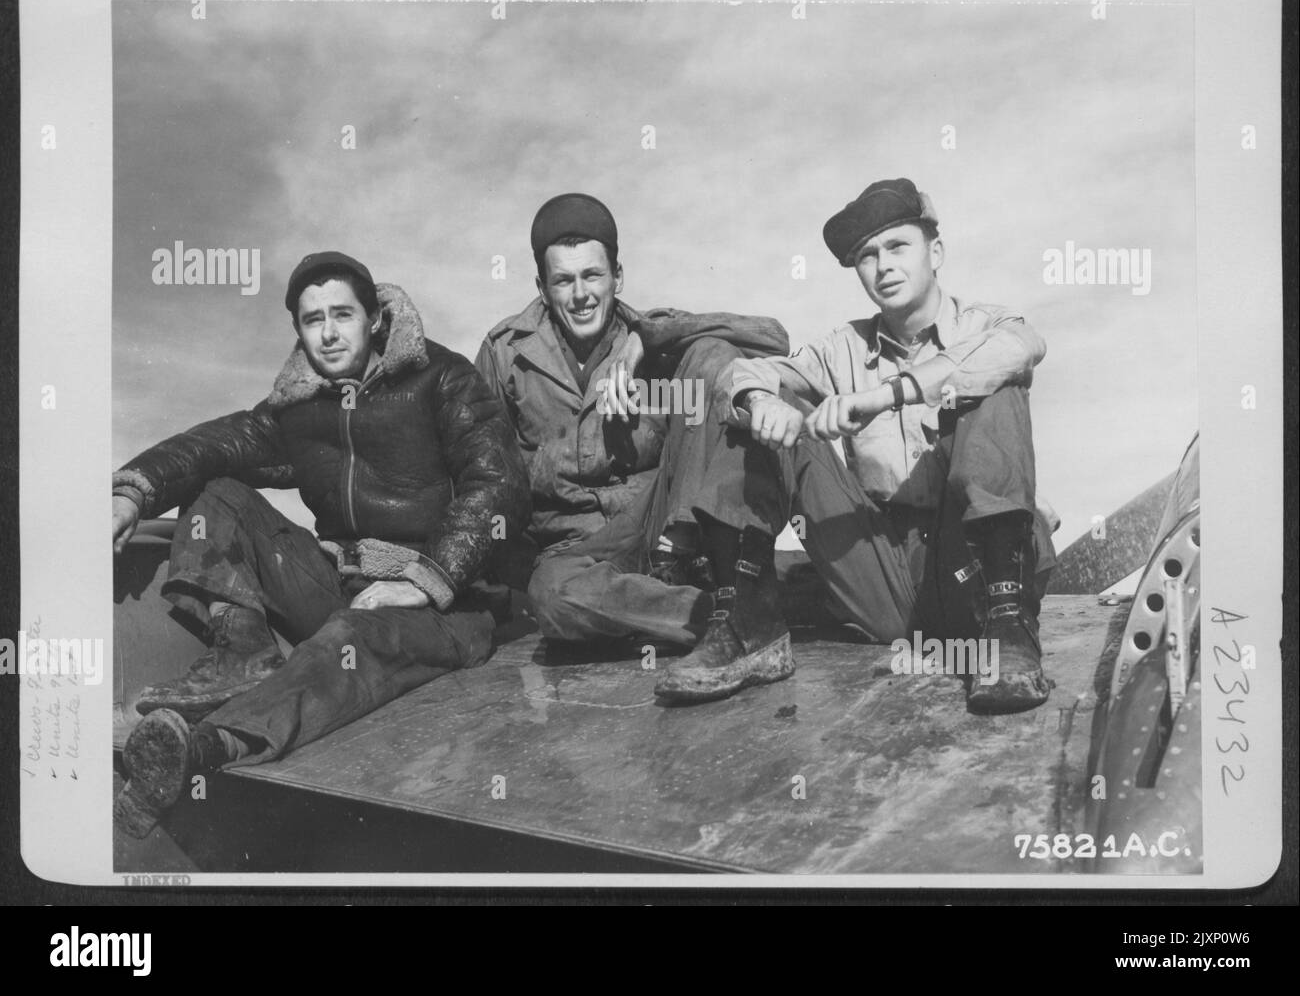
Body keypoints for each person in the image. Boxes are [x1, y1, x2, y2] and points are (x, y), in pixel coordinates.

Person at [111, 252, 529, 836]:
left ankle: (207, 749)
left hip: (445, 605)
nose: (329, 333)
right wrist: (132, 491)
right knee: (219, 489)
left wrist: (426, 579)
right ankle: (240, 652)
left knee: (353, 636)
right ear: (299, 331)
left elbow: (498, 482)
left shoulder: (442, 378)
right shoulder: (299, 408)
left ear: (376, 318)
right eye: (313, 320)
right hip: (340, 587)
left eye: (342, 315)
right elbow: (212, 446)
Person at [655, 178, 1058, 713]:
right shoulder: (842, 346)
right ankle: (748, 625)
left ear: (935, 252)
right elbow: (745, 371)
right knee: (760, 408)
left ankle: (1009, 630)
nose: (883, 265)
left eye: (897, 246)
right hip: (885, 576)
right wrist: (762, 400)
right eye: (867, 256)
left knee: (991, 385)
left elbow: (1023, 347)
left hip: (973, 567)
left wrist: (885, 396)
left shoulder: (988, 323)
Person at [475, 193, 789, 648]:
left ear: (617, 277)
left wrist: (646, 338)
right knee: (556, 599)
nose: (581, 295)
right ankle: (719, 614)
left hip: (661, 529)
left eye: (593, 275)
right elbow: (485, 473)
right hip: (571, 549)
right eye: (563, 281)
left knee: (710, 355)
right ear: (542, 288)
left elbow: (770, 338)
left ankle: (704, 592)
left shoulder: (651, 339)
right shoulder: (505, 355)